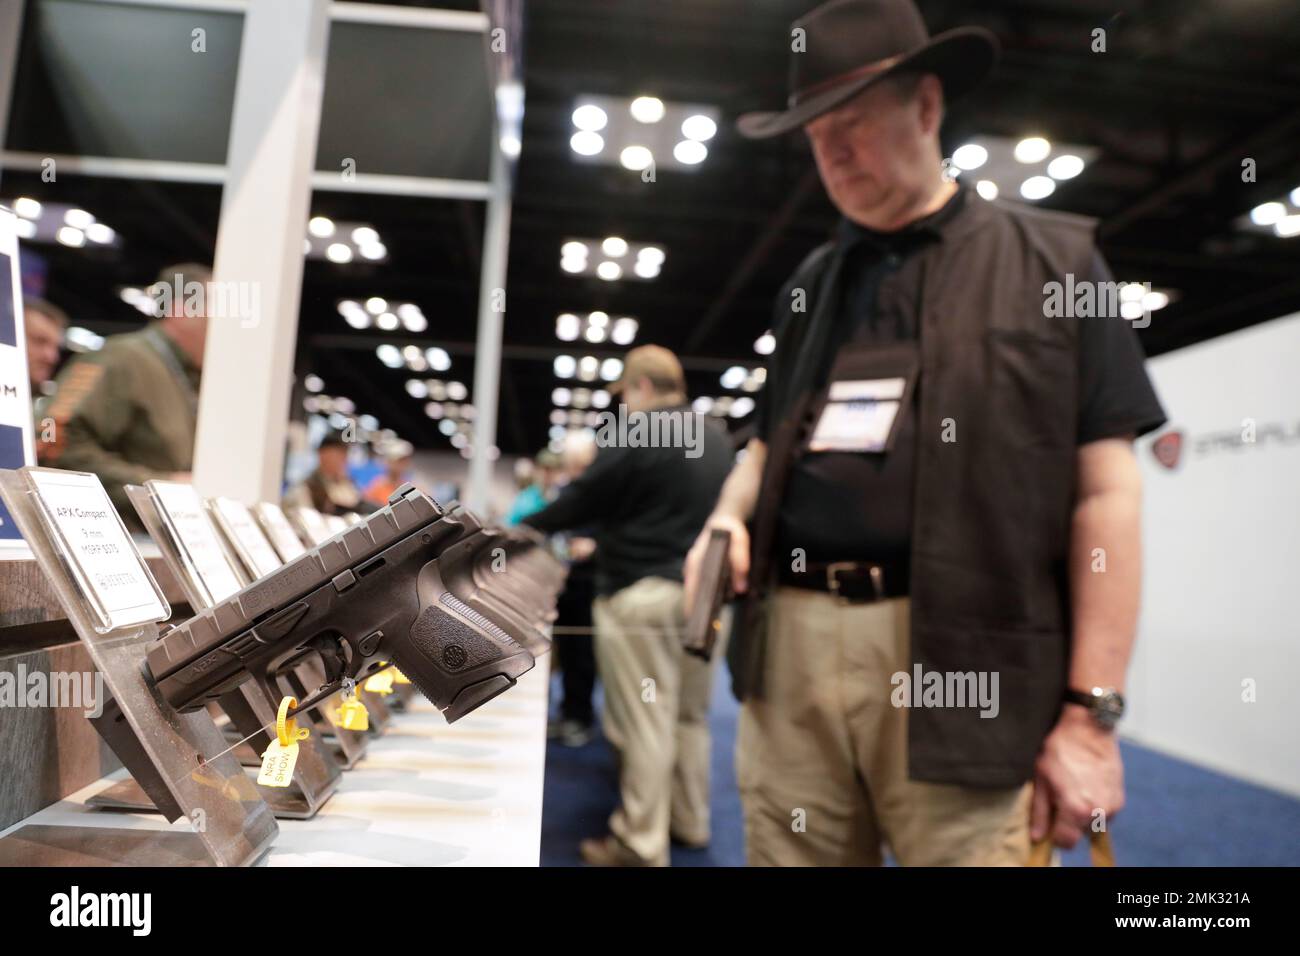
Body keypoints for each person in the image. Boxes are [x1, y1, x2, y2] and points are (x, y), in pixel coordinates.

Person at [685, 0, 1166, 867]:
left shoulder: (1056, 265)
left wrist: (1093, 717)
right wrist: (727, 514)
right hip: (790, 651)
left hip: (967, 662)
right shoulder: (812, 283)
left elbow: (1108, 497)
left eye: (855, 122)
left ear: (928, 107)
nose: (833, 151)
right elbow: (766, 441)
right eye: (814, 132)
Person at [525, 345, 733, 866]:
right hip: (707, 595)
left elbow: (585, 498)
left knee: (644, 720)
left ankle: (641, 842)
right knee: (690, 716)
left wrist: (528, 527)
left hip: (642, 594)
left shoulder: (638, 430)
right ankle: (690, 821)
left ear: (638, 388)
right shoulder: (717, 436)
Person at [40, 263, 211, 526]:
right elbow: (53, 439)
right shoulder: (121, 359)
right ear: (181, 309)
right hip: (110, 539)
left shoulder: (187, 377)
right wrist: (155, 487)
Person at [547, 431, 600, 747]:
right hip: (566, 585)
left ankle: (580, 717)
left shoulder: (602, 494)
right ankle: (568, 713)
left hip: (588, 586)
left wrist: (593, 546)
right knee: (567, 655)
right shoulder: (569, 490)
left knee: (582, 657)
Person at [283, 431, 367, 515]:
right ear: (322, 454)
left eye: (345, 453)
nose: (344, 459)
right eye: (338, 453)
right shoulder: (307, 488)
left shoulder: (349, 484)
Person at [505, 449, 559, 526]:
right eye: (544, 469)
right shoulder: (525, 497)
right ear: (537, 470)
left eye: (551, 470)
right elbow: (510, 523)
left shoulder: (558, 497)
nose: (547, 474)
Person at [363, 439, 415, 507]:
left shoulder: (413, 486)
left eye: (404, 460)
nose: (402, 464)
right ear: (389, 462)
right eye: (399, 461)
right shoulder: (377, 487)